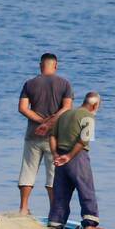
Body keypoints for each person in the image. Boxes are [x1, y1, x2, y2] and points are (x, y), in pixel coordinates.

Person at [17, 53, 74, 215]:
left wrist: (41, 122)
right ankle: (54, 211)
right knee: (53, 175)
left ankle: (23, 208)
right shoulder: (64, 84)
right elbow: (67, 108)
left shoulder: (30, 84)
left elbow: (22, 108)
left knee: (28, 171)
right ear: (55, 66)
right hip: (55, 136)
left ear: (40, 65)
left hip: (33, 134)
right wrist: (50, 123)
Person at [48, 92, 103, 229]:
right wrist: (70, 156)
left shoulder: (65, 115)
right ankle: (90, 225)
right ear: (95, 105)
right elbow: (83, 140)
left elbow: (52, 135)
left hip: (60, 156)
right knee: (86, 190)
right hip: (77, 157)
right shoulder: (88, 117)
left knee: (60, 194)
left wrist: (55, 154)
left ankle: (54, 226)